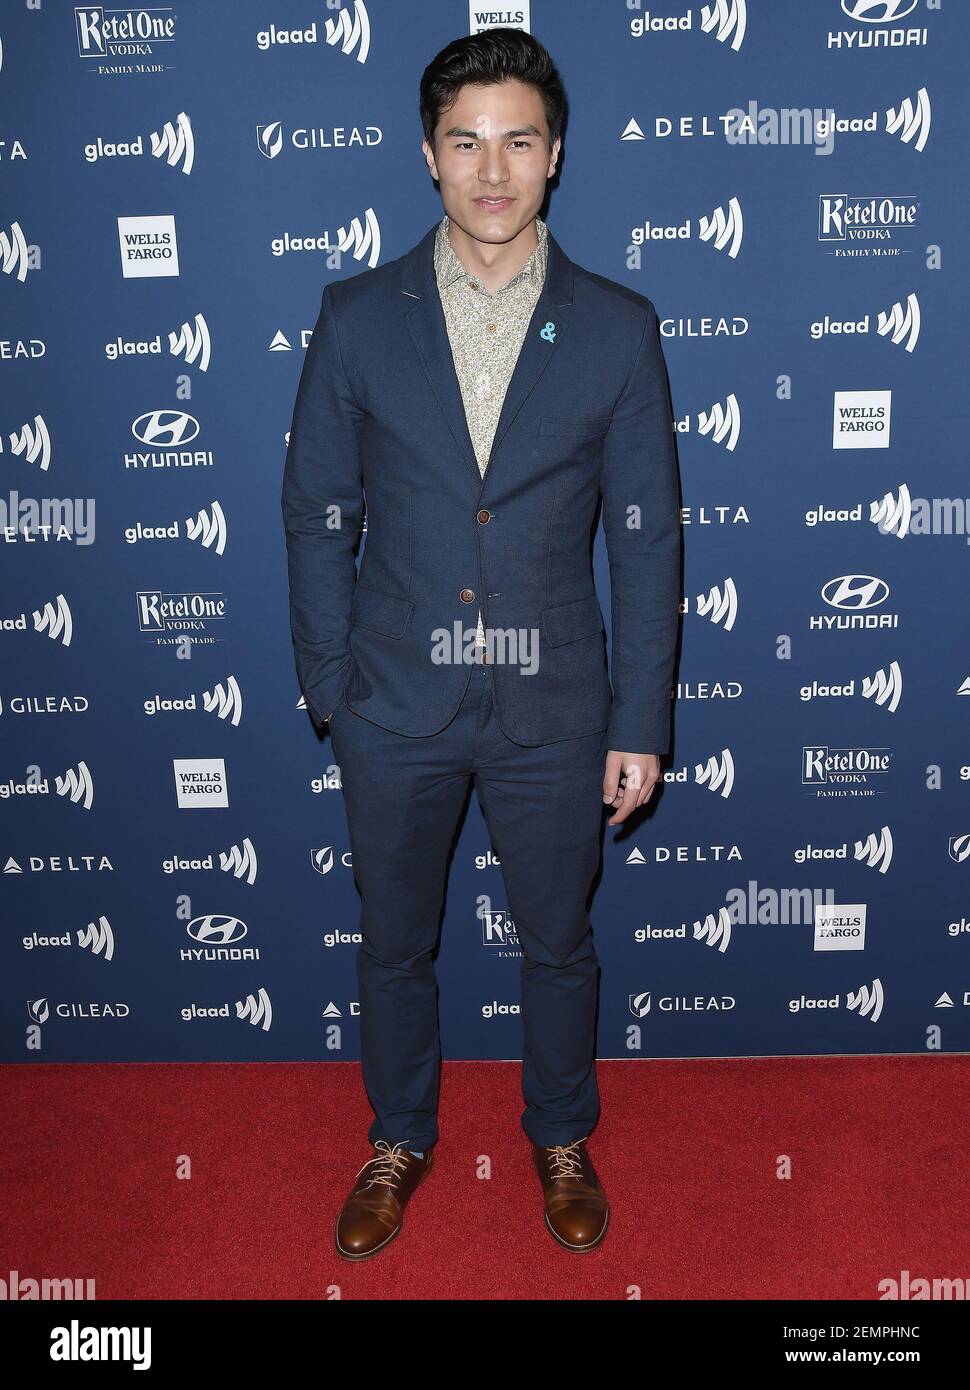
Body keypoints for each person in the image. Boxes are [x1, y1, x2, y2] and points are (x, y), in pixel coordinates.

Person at [281, 26, 681, 1261]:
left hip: (555, 703)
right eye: (466, 141)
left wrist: (638, 723)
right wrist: (332, 687)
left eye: (518, 140)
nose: (492, 168)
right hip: (393, 700)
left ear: (555, 154)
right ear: (428, 155)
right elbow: (314, 512)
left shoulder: (618, 324)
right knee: (394, 941)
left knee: (560, 942)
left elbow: (648, 539)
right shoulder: (355, 314)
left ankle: (560, 1133)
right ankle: (400, 1133)